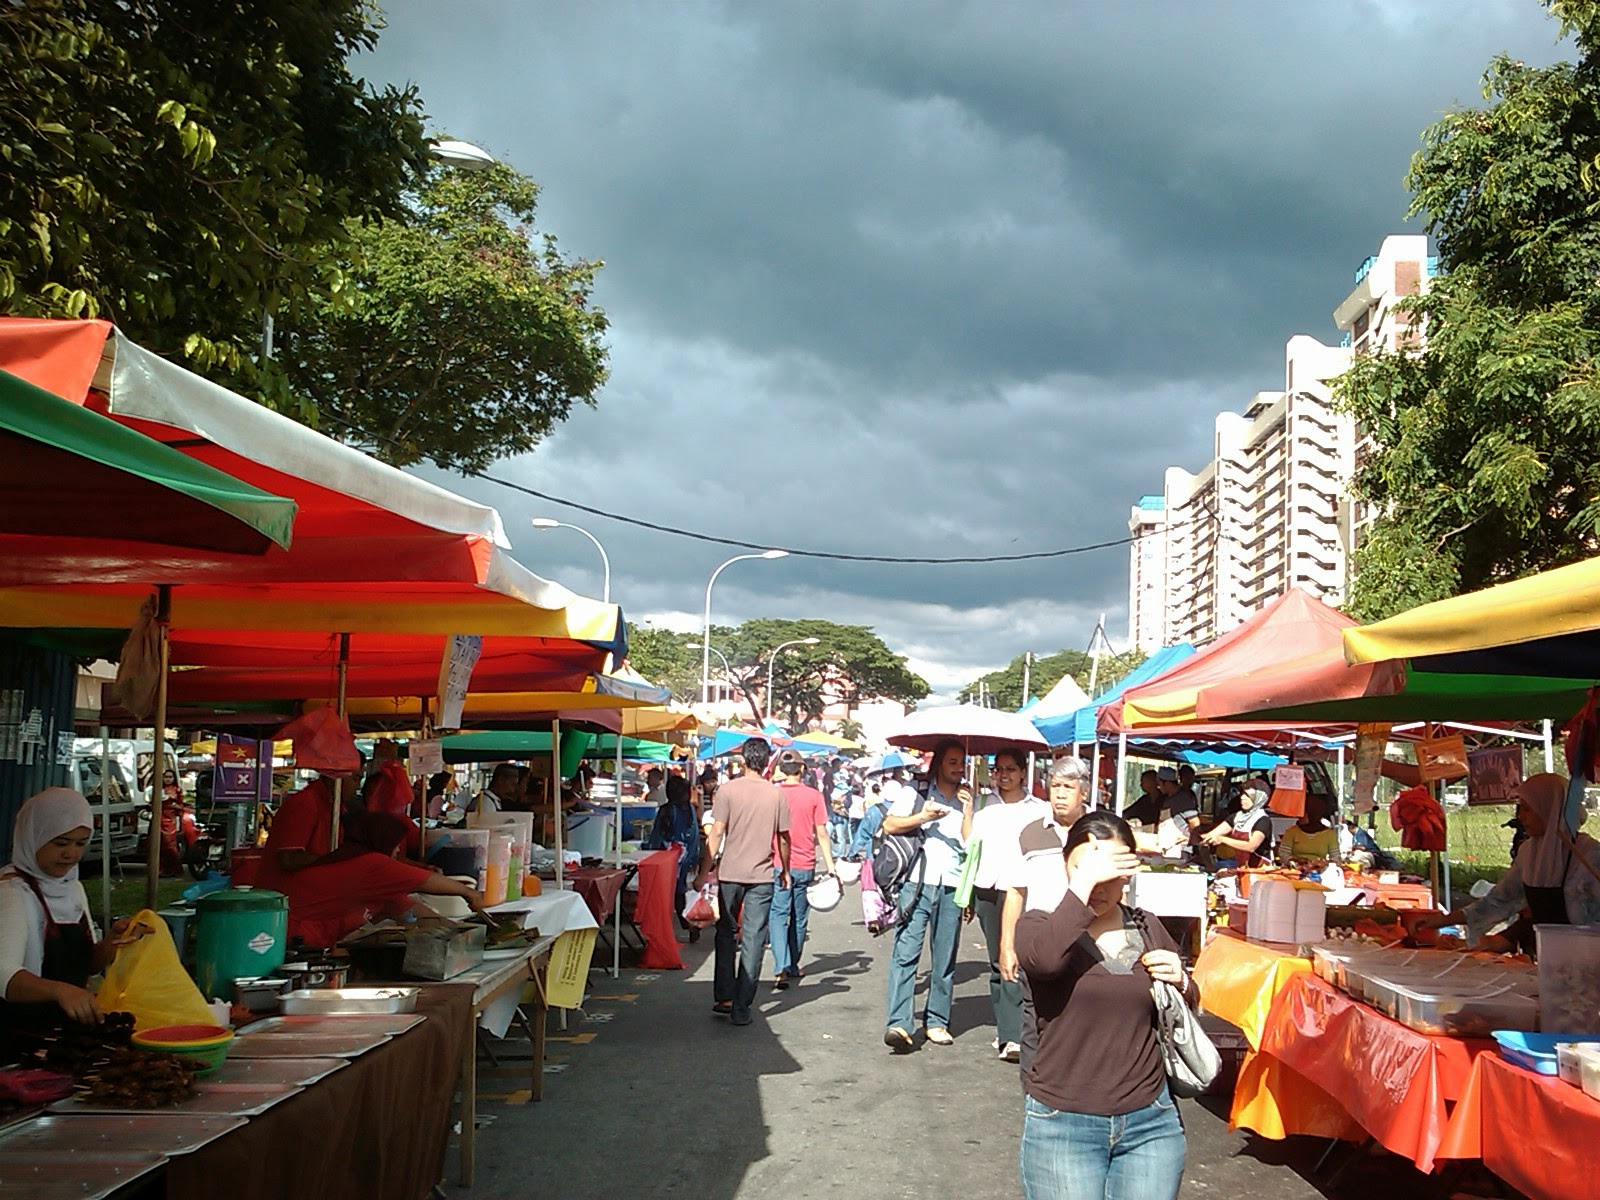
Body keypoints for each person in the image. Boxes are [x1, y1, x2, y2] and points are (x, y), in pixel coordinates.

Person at [1015, 810, 1194, 1200]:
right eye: (1085, 868)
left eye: (1108, 871)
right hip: (1063, 1124)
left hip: (1150, 1122)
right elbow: (1044, 962)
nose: (1098, 884)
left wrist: (1183, 980)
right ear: (1067, 866)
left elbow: (1184, 1005)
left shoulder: (1146, 927)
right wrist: (1081, 885)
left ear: (1128, 872)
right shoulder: (1038, 926)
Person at [258, 767, 487, 947]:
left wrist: (461, 933)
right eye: (395, 847)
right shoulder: (369, 864)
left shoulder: (372, 875)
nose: (398, 853)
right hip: (283, 938)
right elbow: (423, 880)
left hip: (310, 938)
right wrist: (468, 893)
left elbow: (407, 908)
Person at [0, 789, 151, 1058]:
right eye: (60, 843)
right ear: (33, 837)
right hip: (16, 1040)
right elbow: (4, 976)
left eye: (80, 844)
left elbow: (87, 964)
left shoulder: (72, 888)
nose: (71, 854)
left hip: (64, 1040)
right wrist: (60, 991)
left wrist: (111, 943)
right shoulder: (12, 892)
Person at [1416, 772, 1600, 952]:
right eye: (1520, 808)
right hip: (1548, 958)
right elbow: (1499, 900)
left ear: (1550, 809)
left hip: (1589, 958)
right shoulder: (1529, 853)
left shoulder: (1590, 856)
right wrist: (1442, 920)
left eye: (1528, 809)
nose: (1521, 816)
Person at [883, 738, 972, 1053]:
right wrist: (923, 818)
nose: (958, 767)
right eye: (952, 761)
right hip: (917, 882)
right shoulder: (917, 792)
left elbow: (971, 843)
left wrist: (971, 808)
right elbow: (890, 824)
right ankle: (899, 1023)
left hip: (953, 885)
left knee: (945, 957)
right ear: (939, 764)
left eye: (962, 761)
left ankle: (936, 1021)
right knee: (906, 953)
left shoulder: (968, 799)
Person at [699, 739, 791, 1026]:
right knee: (752, 939)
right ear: (767, 763)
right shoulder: (776, 795)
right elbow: (784, 837)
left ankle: (725, 996)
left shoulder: (727, 790)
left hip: (730, 873)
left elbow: (715, 834)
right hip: (762, 875)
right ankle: (742, 1006)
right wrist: (785, 869)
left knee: (726, 933)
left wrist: (703, 872)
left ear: (742, 760)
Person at [966, 747, 1048, 1063]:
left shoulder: (1039, 809)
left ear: (1023, 773)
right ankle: (1008, 1032)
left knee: (1018, 958)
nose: (1004, 775)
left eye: (1010, 769)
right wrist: (967, 812)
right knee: (997, 962)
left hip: (1025, 892)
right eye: (998, 769)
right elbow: (968, 845)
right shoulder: (983, 805)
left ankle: (1018, 1033)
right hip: (988, 889)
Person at [769, 750, 835, 988]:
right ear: (802, 769)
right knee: (799, 917)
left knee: (777, 915)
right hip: (805, 864)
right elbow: (822, 833)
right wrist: (831, 867)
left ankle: (780, 965)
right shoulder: (814, 796)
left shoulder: (773, 794)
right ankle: (792, 964)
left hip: (777, 863)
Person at [645, 775, 703, 942]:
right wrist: (693, 858)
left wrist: (651, 853)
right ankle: (688, 924)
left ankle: (664, 931)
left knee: (665, 897)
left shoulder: (666, 810)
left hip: (666, 859)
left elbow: (657, 835)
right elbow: (694, 836)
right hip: (684, 858)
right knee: (679, 894)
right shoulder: (690, 810)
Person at [1200, 776, 1273, 865]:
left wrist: (1222, 839)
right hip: (1242, 867)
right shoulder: (1237, 817)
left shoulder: (1263, 820)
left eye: (1248, 796)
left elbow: (1251, 846)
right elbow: (1211, 835)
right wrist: (1189, 839)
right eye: (1242, 794)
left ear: (1258, 798)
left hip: (1260, 871)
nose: (1242, 798)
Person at [1275, 791, 1338, 863]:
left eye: (1303, 813)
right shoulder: (1292, 832)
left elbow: (1336, 857)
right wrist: (1294, 861)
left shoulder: (1329, 834)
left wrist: (1323, 865)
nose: (1299, 816)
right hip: (1295, 870)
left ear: (1313, 814)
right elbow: (1283, 853)